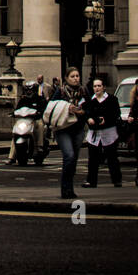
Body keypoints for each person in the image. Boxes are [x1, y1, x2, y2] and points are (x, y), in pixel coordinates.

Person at [50, 66, 87, 199]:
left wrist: (83, 112)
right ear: (66, 78)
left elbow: (89, 107)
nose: (76, 79)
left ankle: (70, 188)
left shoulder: (83, 90)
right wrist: (67, 108)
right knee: (69, 156)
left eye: (77, 76)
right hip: (63, 128)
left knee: (73, 160)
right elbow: (51, 107)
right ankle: (65, 189)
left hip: (77, 129)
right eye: (72, 76)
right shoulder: (60, 91)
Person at [83, 76, 122, 188]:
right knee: (93, 159)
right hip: (94, 133)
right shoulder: (90, 101)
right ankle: (91, 181)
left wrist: (106, 119)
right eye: (95, 86)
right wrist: (89, 119)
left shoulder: (112, 99)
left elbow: (116, 114)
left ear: (104, 87)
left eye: (99, 86)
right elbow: (86, 113)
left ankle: (116, 180)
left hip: (109, 132)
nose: (97, 88)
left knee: (112, 157)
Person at [6, 80, 46, 164]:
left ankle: (39, 146)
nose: (28, 92)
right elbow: (17, 109)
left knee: (40, 125)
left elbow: (43, 108)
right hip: (24, 120)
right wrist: (13, 113)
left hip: (35, 120)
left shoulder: (39, 99)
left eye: (30, 90)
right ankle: (11, 157)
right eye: (27, 90)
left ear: (34, 90)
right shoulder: (23, 99)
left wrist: (40, 112)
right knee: (15, 134)